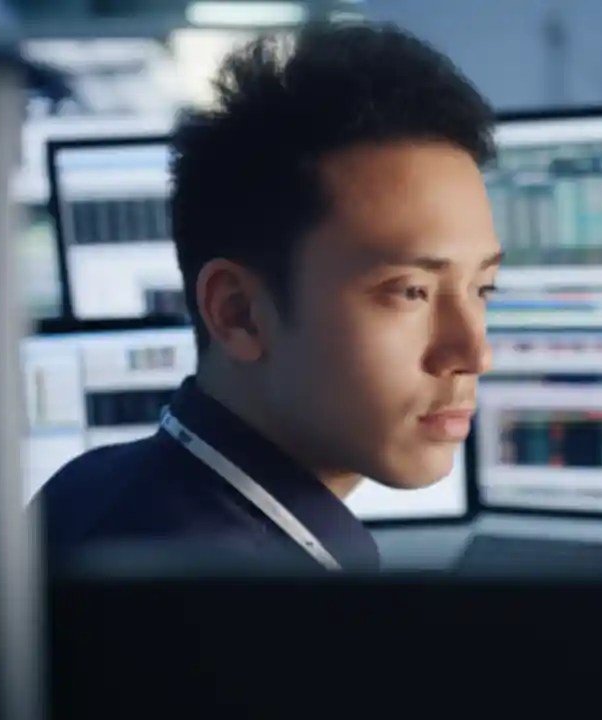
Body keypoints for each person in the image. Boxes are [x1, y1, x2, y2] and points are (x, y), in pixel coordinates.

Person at [33, 22, 502, 573]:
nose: (473, 354)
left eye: (482, 289)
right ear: (239, 313)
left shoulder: (94, 485)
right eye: (411, 292)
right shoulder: (247, 612)